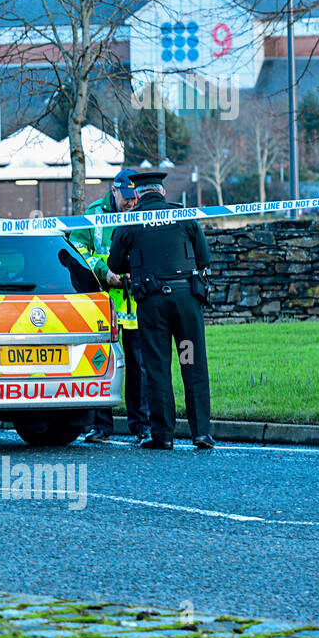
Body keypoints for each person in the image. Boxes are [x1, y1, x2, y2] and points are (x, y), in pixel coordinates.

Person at [107, 171, 215, 451]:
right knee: (192, 363)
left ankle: (163, 435)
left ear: (138, 195)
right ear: (163, 193)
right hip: (186, 303)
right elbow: (204, 258)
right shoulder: (182, 215)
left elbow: (116, 264)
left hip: (153, 304)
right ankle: (201, 433)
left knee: (157, 366)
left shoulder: (131, 220)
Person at [68, 169, 152, 445]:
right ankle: (101, 425)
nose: (131, 202)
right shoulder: (93, 214)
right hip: (103, 303)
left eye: (134, 196)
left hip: (134, 301)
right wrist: (105, 272)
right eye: (127, 197)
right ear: (114, 190)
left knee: (138, 364)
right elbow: (79, 250)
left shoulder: (142, 211)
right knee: (101, 363)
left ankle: (141, 425)